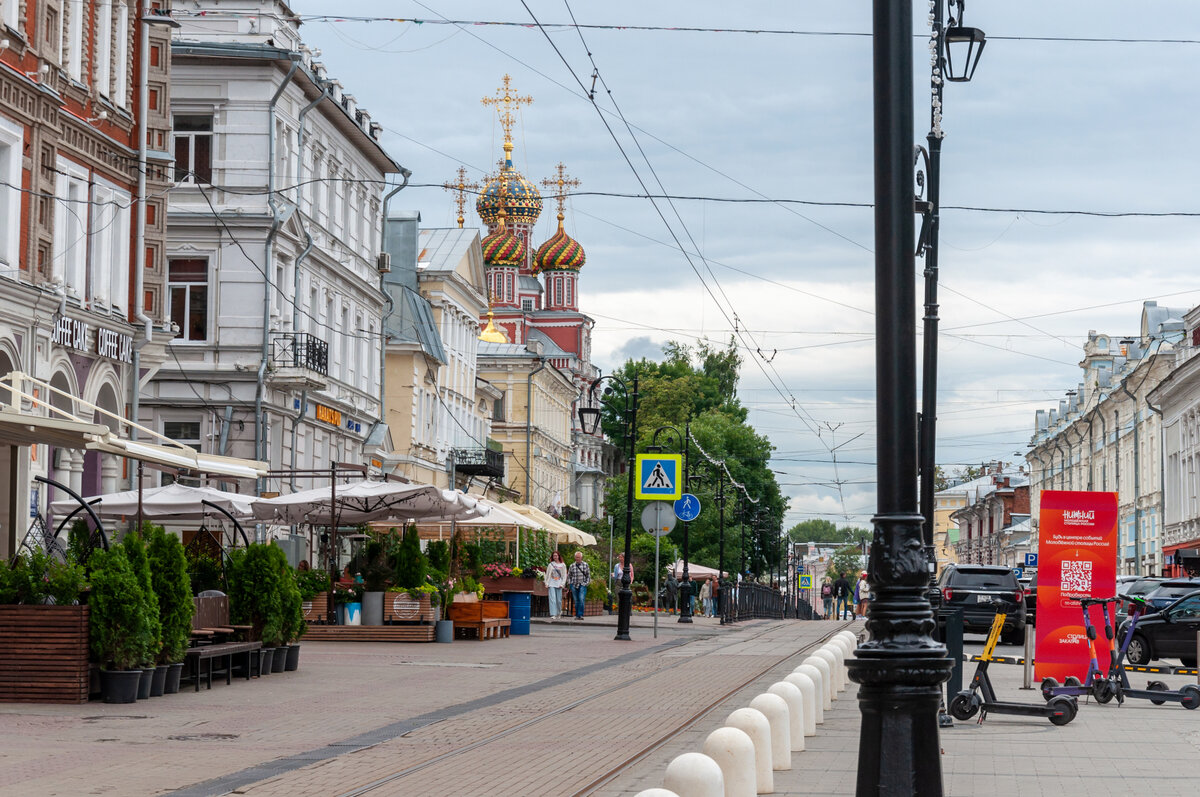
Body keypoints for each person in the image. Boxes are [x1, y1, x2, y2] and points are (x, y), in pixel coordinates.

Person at [544, 551, 567, 621]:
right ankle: (553, 614)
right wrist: (546, 583)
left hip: (559, 584)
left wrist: (562, 584)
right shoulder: (551, 565)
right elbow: (547, 574)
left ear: (559, 556)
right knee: (552, 599)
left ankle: (558, 612)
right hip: (551, 583)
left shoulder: (563, 565)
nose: (555, 557)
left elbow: (564, 575)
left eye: (556, 556)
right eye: (554, 556)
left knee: (559, 600)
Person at [567, 551, 591, 621]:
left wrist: (585, 583)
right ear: (575, 558)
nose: (577, 558)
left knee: (581, 599)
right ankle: (577, 615)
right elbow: (569, 576)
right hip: (574, 585)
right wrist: (570, 584)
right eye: (576, 557)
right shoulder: (572, 566)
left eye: (579, 557)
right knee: (576, 600)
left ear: (581, 558)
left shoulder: (585, 565)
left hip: (582, 584)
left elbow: (588, 576)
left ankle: (580, 614)